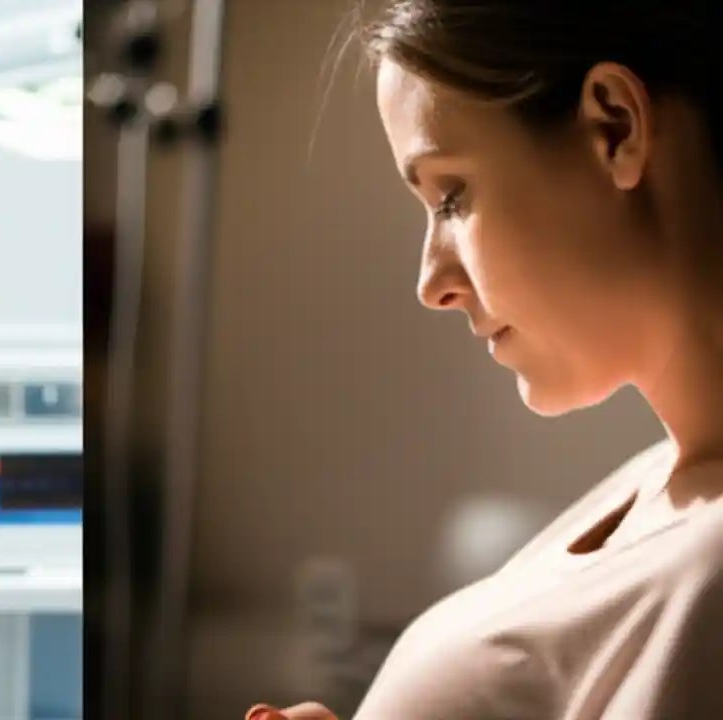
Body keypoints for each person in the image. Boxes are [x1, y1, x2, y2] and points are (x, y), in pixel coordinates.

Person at [249, 1, 723, 718]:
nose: (430, 284)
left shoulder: (708, 569)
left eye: (451, 196)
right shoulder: (656, 484)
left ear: (614, 128)